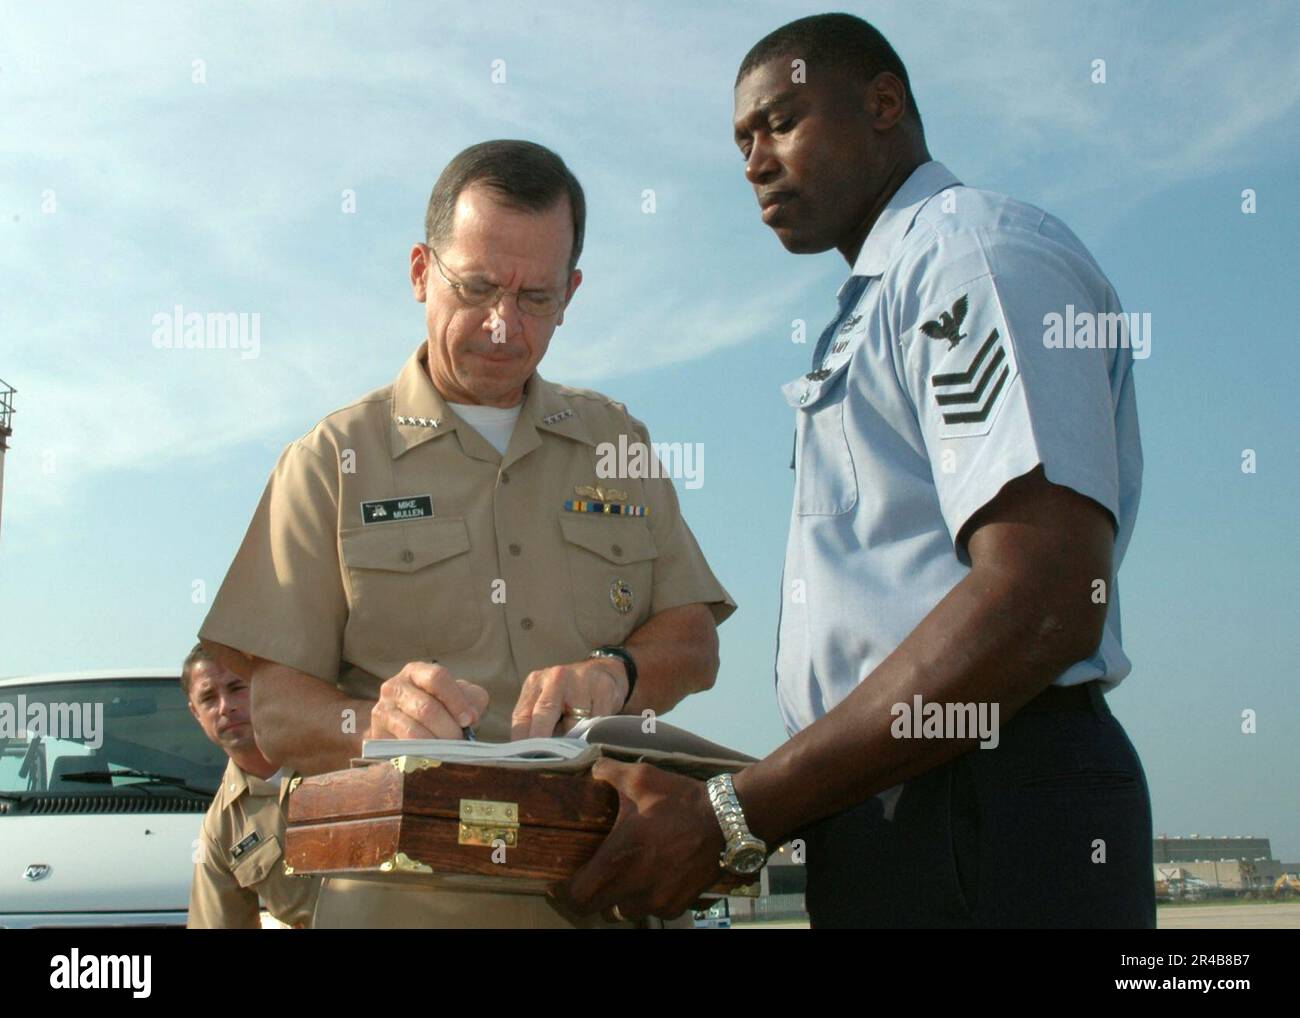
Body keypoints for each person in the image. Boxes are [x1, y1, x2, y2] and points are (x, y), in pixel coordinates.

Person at [563, 13, 1153, 929]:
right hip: (887, 808)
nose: (756, 160)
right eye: (742, 141)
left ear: (884, 105)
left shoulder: (971, 259)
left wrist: (734, 813)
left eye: (784, 121)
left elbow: (1043, 592)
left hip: (988, 801)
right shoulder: (877, 298)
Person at [199, 139, 735, 928]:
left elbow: (694, 639)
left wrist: (618, 672)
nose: (503, 325)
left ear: (573, 291)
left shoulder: (617, 440)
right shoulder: (331, 460)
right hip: (403, 898)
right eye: (478, 286)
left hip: (607, 889)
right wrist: (373, 725)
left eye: (537, 298)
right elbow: (276, 711)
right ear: (421, 271)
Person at [183, 644, 320, 929]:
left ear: (267, 687)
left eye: (236, 688)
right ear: (195, 713)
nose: (226, 706)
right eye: (209, 698)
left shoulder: (337, 758)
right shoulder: (222, 828)